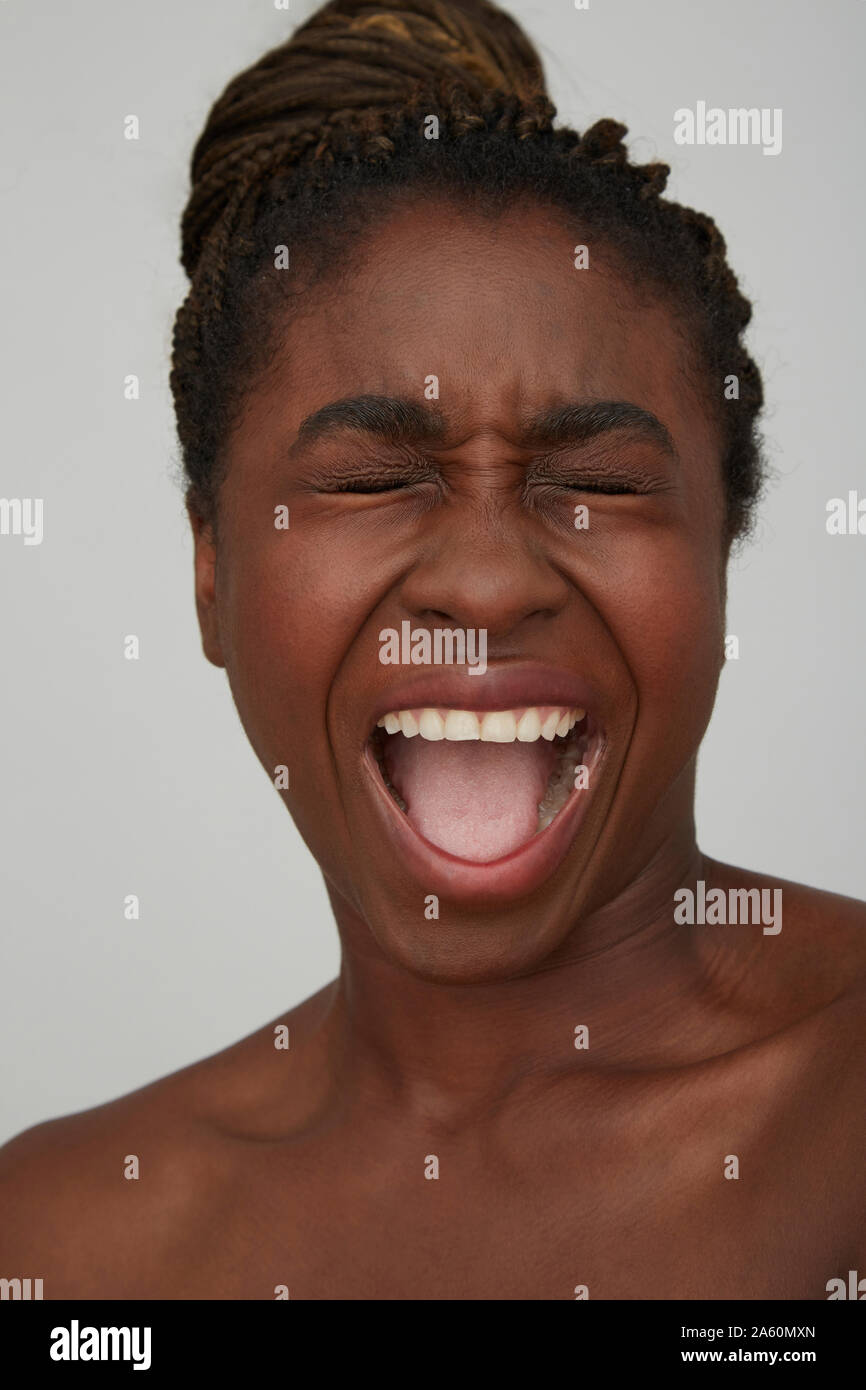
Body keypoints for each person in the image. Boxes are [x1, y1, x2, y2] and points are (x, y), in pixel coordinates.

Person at [1, 0, 864, 1300]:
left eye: (598, 479)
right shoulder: (64, 1241)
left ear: (716, 556)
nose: (484, 576)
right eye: (367, 481)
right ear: (211, 571)